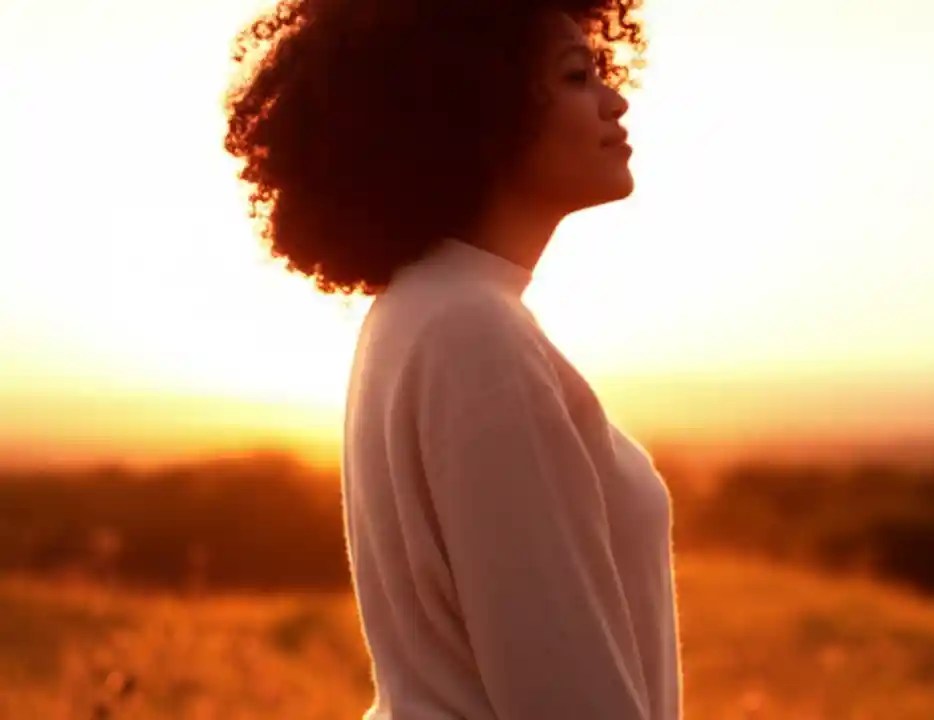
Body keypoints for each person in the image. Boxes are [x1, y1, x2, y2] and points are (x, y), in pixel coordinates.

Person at [222, 0, 681, 718]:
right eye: (574, 77)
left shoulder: (427, 311)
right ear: (476, 107)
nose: (614, 100)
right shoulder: (473, 333)